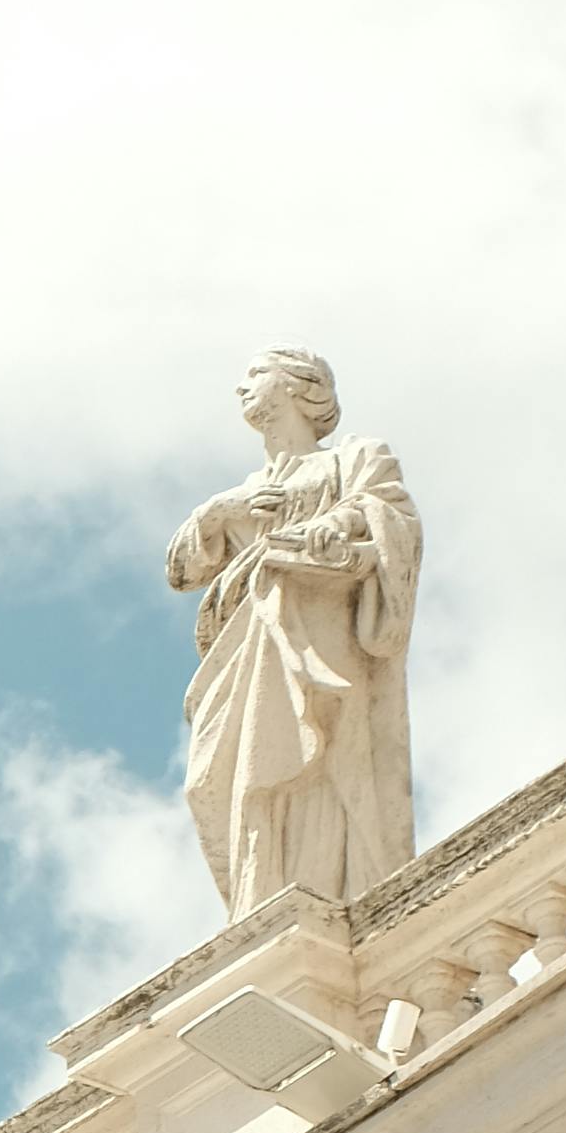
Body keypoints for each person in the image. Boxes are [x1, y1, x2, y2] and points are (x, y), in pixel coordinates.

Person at [164, 349, 423, 911]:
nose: (242, 387)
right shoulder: (244, 491)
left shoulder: (352, 457)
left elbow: (387, 510)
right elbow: (181, 571)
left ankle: (323, 891)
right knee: (215, 778)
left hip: (317, 629)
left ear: (302, 387)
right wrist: (218, 510)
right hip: (246, 643)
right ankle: (261, 894)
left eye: (257, 374)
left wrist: (332, 523)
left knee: (317, 754)